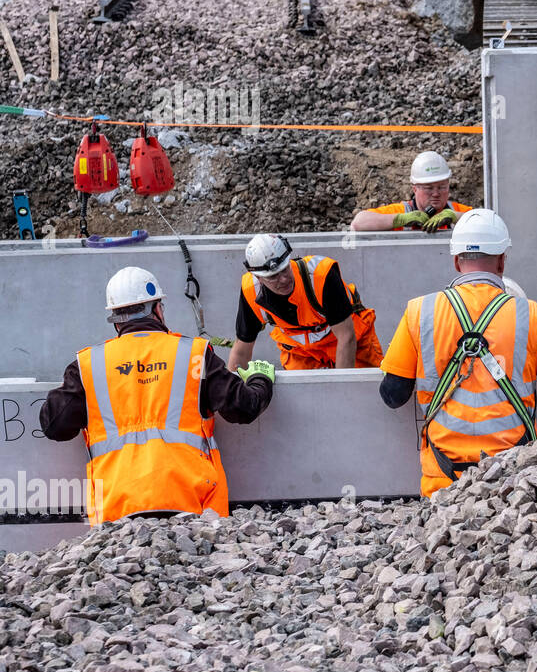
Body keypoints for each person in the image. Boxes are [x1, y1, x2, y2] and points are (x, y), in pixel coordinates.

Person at [379, 208, 537, 496]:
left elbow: (392, 395)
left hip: (442, 484)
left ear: (456, 261)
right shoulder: (531, 315)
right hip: (513, 485)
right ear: (501, 262)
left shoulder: (419, 313)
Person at [39, 267, 274, 525]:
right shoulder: (194, 354)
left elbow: (54, 426)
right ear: (158, 310)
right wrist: (260, 378)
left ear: (116, 320)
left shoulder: (88, 365)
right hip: (194, 508)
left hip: (116, 513)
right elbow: (243, 407)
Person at [228, 233, 384, 372]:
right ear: (259, 278)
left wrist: (342, 390)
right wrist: (230, 395)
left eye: (284, 269)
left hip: (351, 343)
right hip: (301, 354)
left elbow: (346, 337)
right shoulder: (251, 291)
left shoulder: (321, 276)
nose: (283, 279)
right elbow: (241, 350)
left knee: (362, 394)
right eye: (273, 276)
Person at [350, 151, 475, 232]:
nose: (436, 193)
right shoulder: (403, 212)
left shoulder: (456, 210)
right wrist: (401, 220)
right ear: (414, 188)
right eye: (429, 188)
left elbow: (490, 223)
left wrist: (456, 217)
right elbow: (358, 223)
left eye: (442, 187)